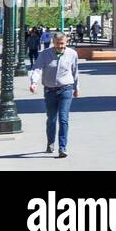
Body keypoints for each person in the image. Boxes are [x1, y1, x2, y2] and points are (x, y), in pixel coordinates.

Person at [29, 31, 79, 159]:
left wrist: (76, 87)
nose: (60, 46)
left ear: (66, 42)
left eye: (62, 44)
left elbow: (75, 71)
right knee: (51, 118)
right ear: (53, 43)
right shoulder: (45, 54)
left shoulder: (72, 54)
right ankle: (50, 142)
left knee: (63, 118)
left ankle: (62, 147)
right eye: (58, 44)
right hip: (50, 90)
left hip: (66, 88)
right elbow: (37, 68)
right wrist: (34, 82)